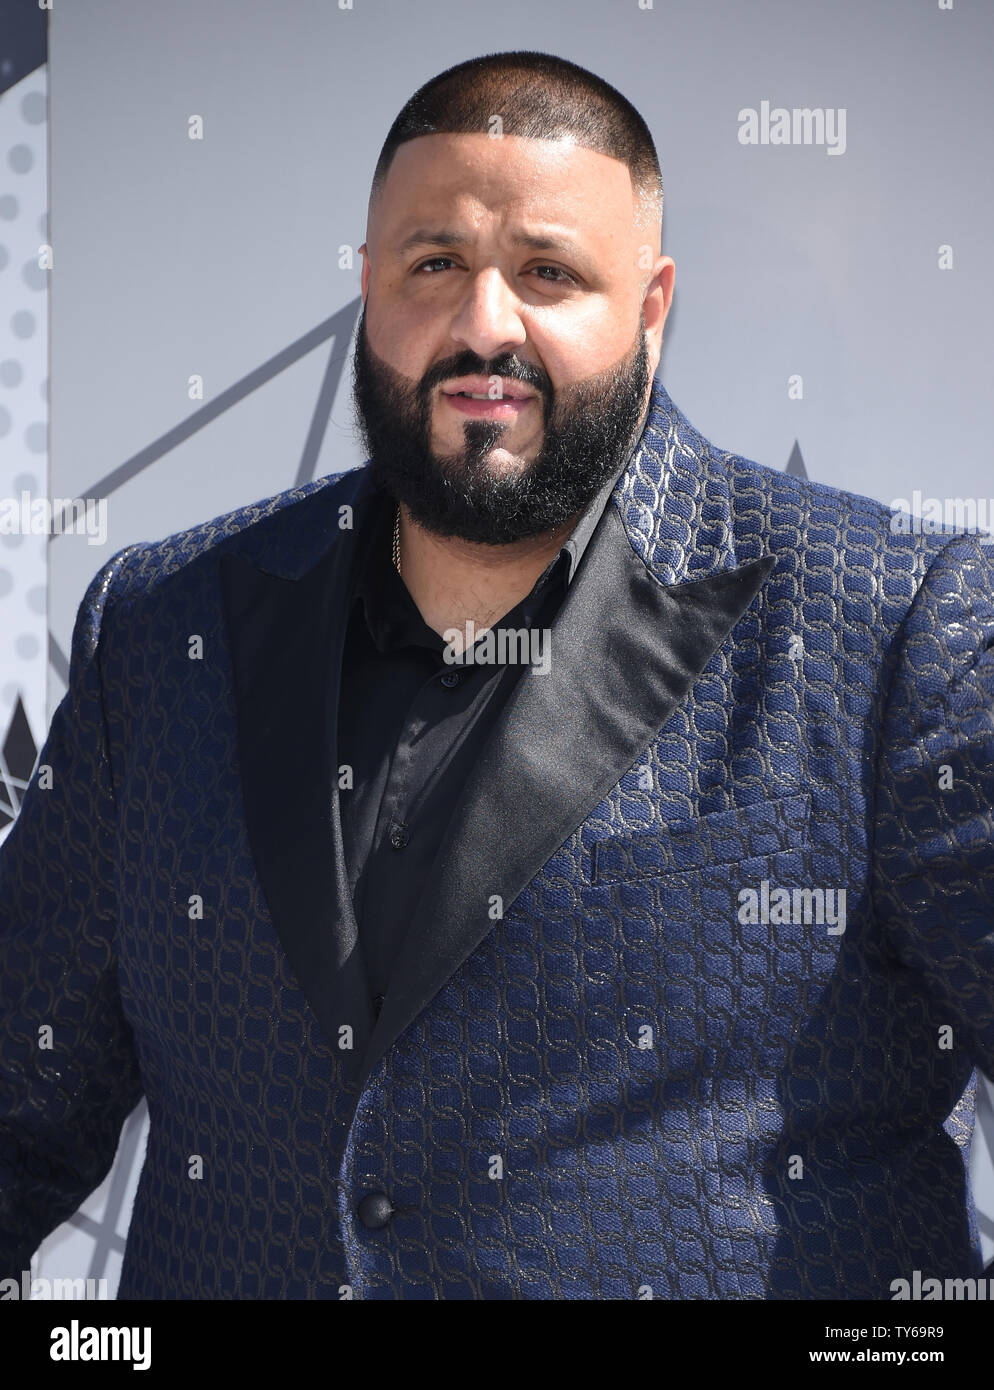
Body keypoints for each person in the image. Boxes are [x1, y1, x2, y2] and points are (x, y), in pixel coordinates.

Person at [2, 49, 993, 1301]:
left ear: (650, 306)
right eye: (434, 266)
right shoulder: (163, 627)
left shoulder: (895, 624)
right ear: (367, 291)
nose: (483, 326)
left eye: (547, 273)